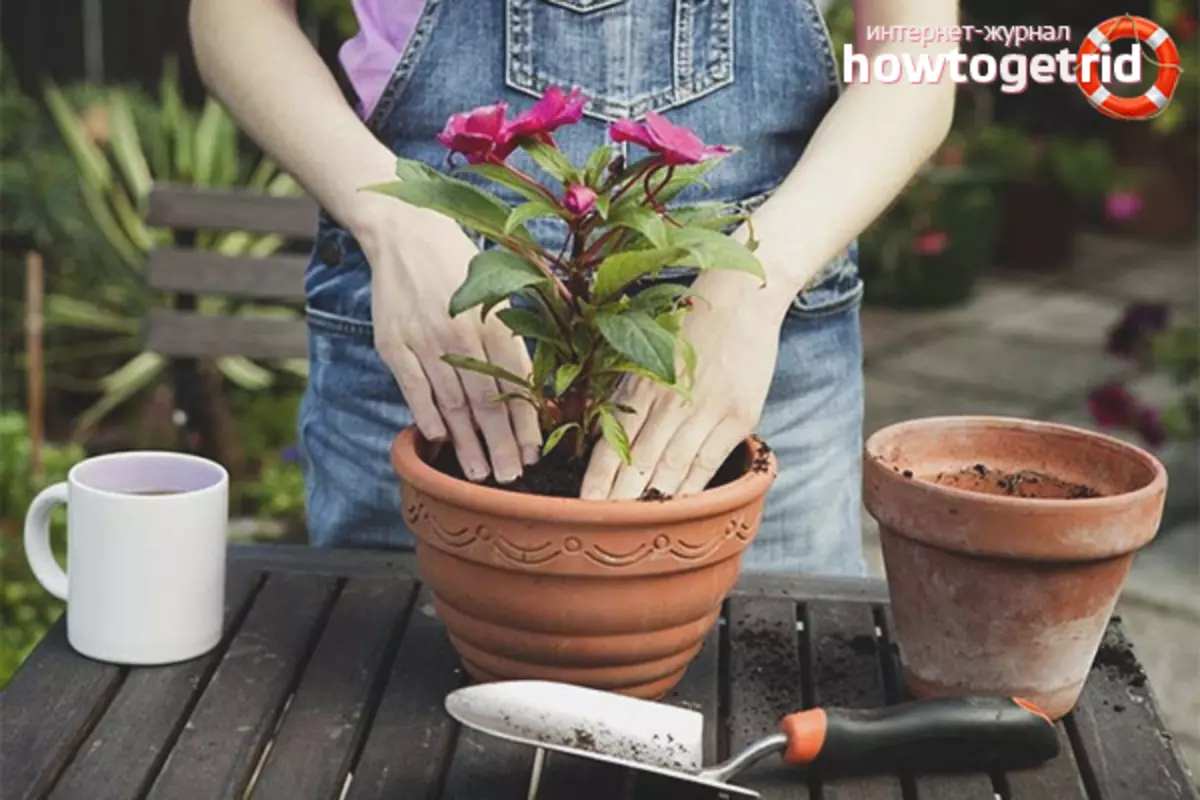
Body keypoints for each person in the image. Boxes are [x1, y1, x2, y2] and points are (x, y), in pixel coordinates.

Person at [190, 0, 957, 576]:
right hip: (436, 347)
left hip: (747, 357)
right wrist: (391, 217)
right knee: (403, 717)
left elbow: (915, 61)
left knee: (759, 711)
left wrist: (757, 280)